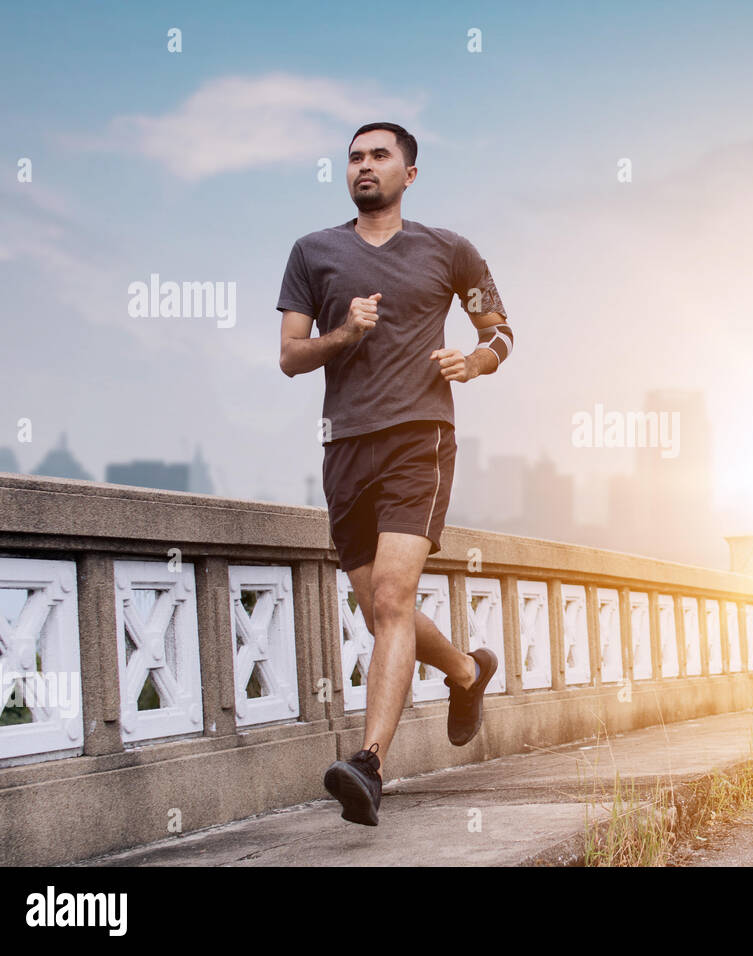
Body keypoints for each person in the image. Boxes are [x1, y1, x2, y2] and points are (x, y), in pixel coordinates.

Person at [277, 122, 512, 826]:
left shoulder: (449, 251)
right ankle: (468, 673)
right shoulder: (313, 253)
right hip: (346, 445)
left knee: (390, 595)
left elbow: (500, 331)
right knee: (386, 610)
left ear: (410, 174)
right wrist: (345, 333)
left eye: (380, 156)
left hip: (420, 438)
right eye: (354, 157)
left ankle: (370, 764)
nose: (364, 166)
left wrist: (473, 362)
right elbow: (290, 355)